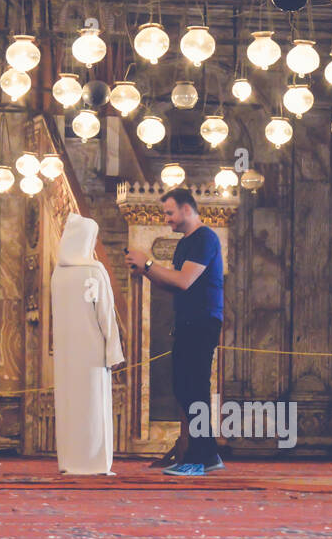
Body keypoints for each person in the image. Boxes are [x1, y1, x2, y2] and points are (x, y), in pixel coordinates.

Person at [124, 187, 225, 477]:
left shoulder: (205, 238)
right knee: (184, 388)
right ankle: (206, 453)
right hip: (186, 322)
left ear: (186, 209)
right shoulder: (183, 244)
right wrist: (145, 271)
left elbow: (184, 281)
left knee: (194, 388)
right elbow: (171, 285)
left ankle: (199, 457)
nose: (166, 218)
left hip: (203, 321)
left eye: (169, 212)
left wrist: (149, 263)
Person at [52, 213, 125, 475]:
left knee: (70, 405)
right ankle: (95, 463)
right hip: (93, 352)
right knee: (94, 407)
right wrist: (114, 352)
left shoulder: (57, 274)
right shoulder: (94, 271)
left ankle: (69, 462)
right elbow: (106, 314)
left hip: (66, 354)